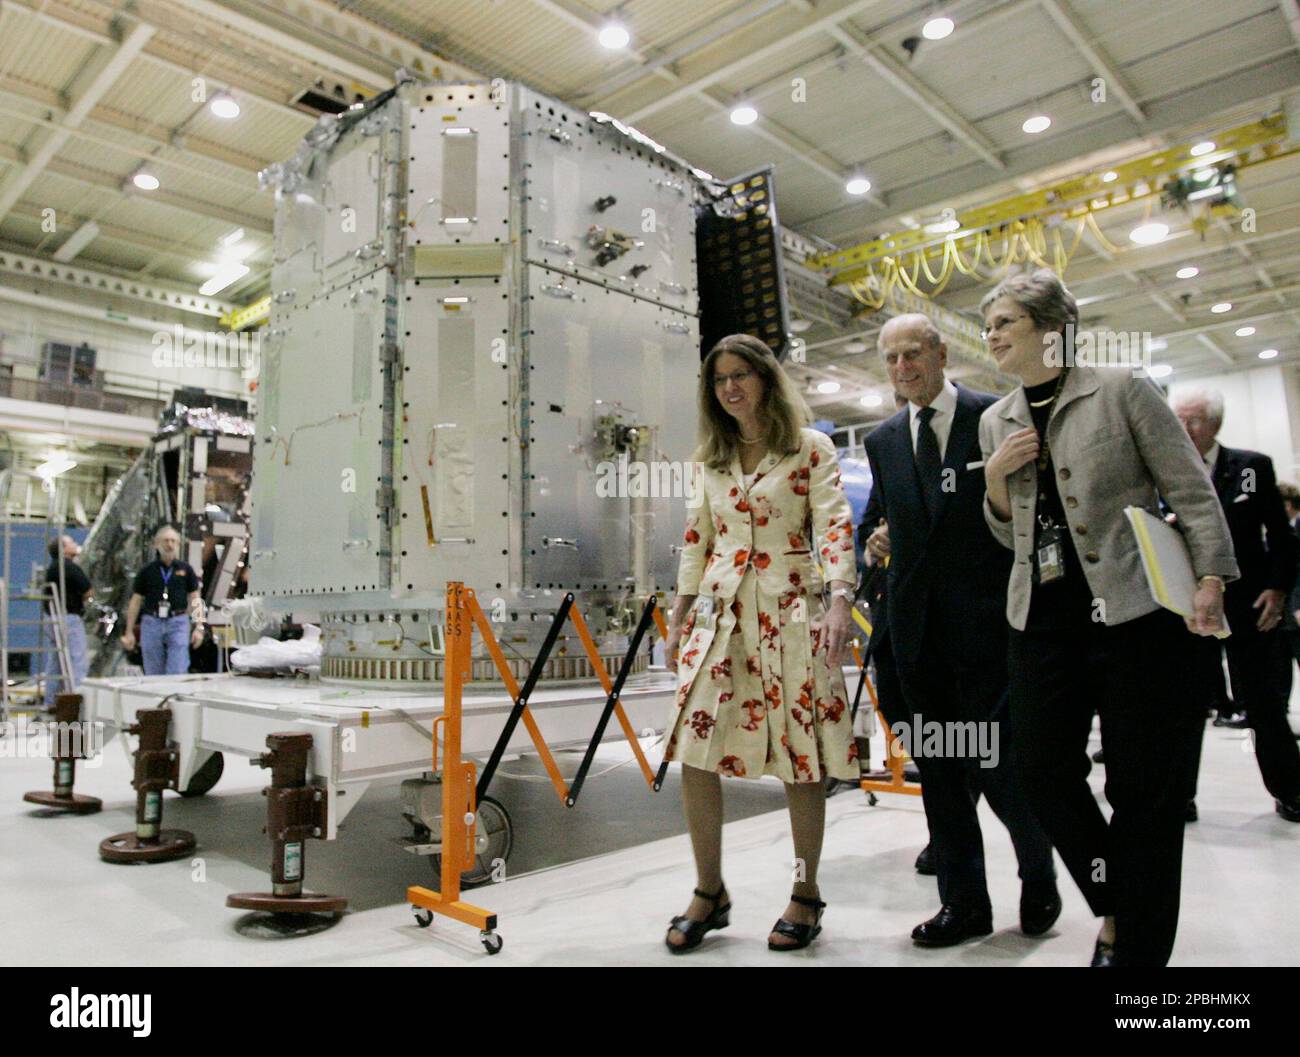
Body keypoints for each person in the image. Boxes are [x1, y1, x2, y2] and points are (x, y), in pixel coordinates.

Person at [979, 268, 1237, 967]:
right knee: (1040, 769)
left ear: (1051, 327)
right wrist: (997, 482)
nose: (992, 334)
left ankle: (1139, 953)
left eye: (1004, 320)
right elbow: (1009, 534)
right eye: (990, 324)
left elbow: (1191, 488)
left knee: (1142, 790)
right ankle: (1120, 900)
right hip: (1042, 620)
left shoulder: (1123, 389)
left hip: (1136, 614)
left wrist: (1213, 574)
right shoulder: (994, 419)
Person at [862, 313, 1058, 948]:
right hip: (918, 638)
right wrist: (875, 541)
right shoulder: (885, 439)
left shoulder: (996, 415)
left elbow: (1032, 514)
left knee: (1001, 769)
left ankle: (1039, 874)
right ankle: (964, 904)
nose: (902, 369)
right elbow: (882, 519)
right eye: (891, 359)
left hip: (991, 631)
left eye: (912, 354)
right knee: (943, 779)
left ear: (942, 353)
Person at [662, 333, 858, 954]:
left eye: (741, 375)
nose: (730, 388)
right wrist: (679, 614)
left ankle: (805, 893)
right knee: (695, 751)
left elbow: (833, 526)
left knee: (802, 758)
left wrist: (841, 601)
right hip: (719, 618)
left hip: (791, 610)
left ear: (766, 379)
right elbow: (698, 538)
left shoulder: (810, 448)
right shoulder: (711, 458)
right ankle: (709, 889)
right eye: (720, 380)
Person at [1171, 388, 1300, 822]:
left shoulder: (1250, 467)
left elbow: (1282, 539)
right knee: (1186, 707)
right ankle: (1178, 795)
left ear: (1215, 425)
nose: (1186, 429)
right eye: (1180, 419)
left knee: (1264, 703)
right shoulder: (1164, 470)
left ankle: (1290, 790)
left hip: (1248, 603)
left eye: (1195, 420)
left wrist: (1279, 590)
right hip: (1189, 609)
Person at [120, 526, 204, 675]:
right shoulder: (147, 571)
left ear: (178, 545)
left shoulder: (186, 570)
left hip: (178, 621)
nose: (170, 545)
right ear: (156, 544)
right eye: (166, 541)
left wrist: (199, 627)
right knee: (152, 668)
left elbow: (195, 598)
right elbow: (136, 601)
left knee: (178, 668)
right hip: (152, 621)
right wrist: (129, 631)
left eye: (173, 541)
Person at [43, 535, 93, 706]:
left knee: (55, 663)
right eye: (71, 542)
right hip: (69, 618)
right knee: (77, 661)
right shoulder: (69, 567)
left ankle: (51, 703)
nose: (75, 544)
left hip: (52, 617)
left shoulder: (52, 568)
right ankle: (78, 703)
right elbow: (88, 591)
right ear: (63, 549)